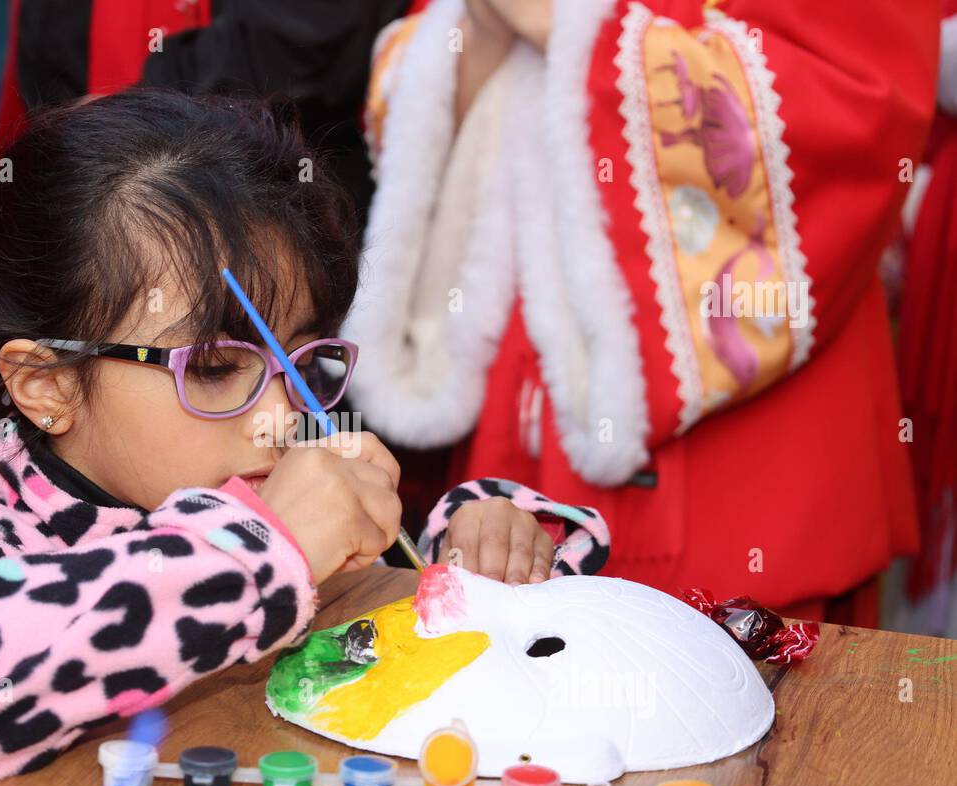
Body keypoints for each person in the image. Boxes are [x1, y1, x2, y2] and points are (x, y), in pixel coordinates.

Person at [0, 89, 610, 786]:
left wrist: (485, 539)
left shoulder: (306, 517)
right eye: (216, 368)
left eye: (302, 360)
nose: (283, 418)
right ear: (46, 386)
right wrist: (254, 555)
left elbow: (510, 593)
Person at [343, 0, 940, 624]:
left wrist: (568, 26)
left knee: (758, 692)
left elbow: (857, 103)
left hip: (749, 464)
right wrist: (481, 33)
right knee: (500, 662)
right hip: (522, 389)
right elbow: (426, 72)